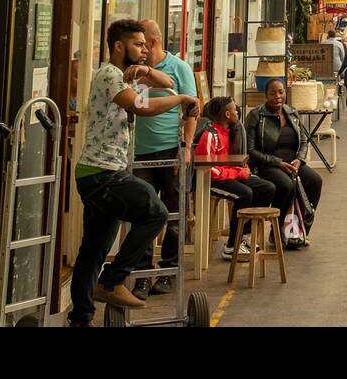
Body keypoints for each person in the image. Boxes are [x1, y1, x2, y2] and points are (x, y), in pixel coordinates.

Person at [68, 19, 199, 327]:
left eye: (145, 44)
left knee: (94, 249)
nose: (144, 50)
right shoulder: (110, 75)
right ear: (118, 46)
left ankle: (81, 318)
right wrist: (182, 99)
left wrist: (147, 71)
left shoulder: (127, 77)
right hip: (104, 174)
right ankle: (113, 281)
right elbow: (141, 106)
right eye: (138, 45)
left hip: (98, 172)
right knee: (156, 213)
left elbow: (166, 82)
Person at [130, 18, 198, 299]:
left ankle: (170, 270)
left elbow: (193, 109)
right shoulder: (135, 71)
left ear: (153, 42)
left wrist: (187, 147)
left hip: (171, 151)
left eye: (142, 43)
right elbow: (135, 104)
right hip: (139, 153)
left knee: (173, 214)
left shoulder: (178, 68)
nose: (140, 49)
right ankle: (142, 274)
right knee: (142, 214)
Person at [193, 97, 276, 260]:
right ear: (227, 114)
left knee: (267, 188)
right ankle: (231, 246)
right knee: (245, 194)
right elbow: (208, 169)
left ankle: (244, 236)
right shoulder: (209, 135)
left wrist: (243, 169)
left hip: (228, 175)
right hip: (212, 180)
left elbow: (231, 161)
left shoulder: (231, 131)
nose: (237, 113)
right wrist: (237, 173)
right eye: (234, 110)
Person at [245, 79, 323, 242]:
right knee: (286, 185)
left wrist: (299, 160)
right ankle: (277, 231)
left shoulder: (292, 113)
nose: (277, 96)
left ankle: (299, 230)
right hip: (268, 165)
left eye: (281, 92)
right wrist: (278, 162)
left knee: (315, 181)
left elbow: (303, 141)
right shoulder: (256, 115)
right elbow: (250, 151)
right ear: (266, 95)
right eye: (272, 93)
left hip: (293, 163)